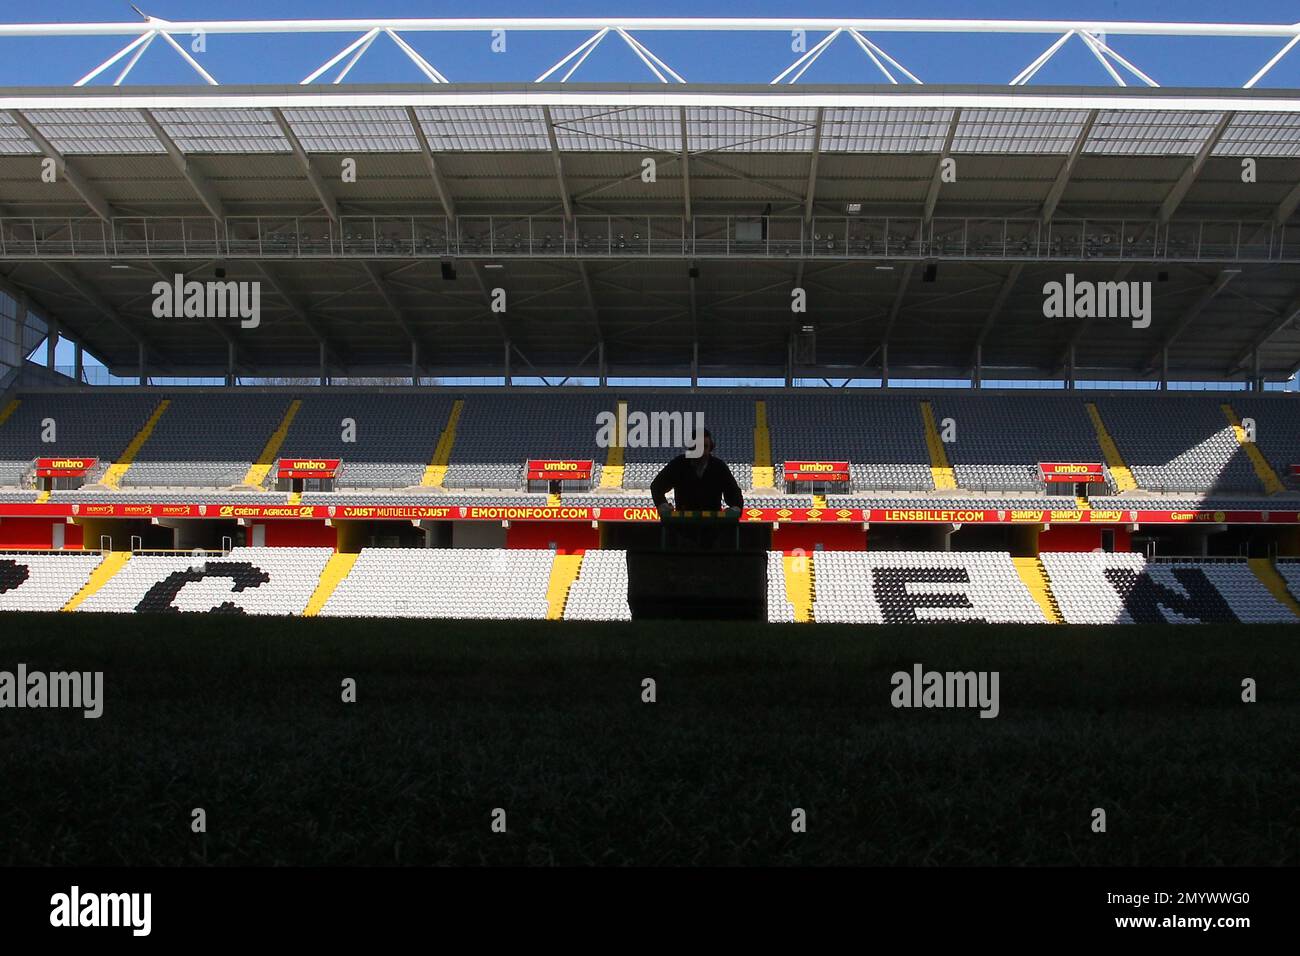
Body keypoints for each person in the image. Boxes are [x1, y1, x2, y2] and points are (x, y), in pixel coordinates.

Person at [650, 429, 744, 518]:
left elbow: (733, 492)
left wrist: (736, 507)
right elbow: (657, 486)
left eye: (705, 446)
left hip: (713, 526)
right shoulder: (678, 464)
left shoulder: (719, 466)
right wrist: (662, 505)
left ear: (711, 447)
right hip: (683, 525)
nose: (701, 451)